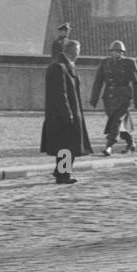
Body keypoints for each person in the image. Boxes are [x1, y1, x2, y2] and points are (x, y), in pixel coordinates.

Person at [41, 37, 92, 182]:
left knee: (67, 146)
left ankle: (60, 172)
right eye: (78, 51)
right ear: (74, 51)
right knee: (66, 147)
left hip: (67, 113)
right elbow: (60, 94)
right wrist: (67, 113)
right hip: (63, 115)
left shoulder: (64, 65)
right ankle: (63, 175)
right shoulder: (59, 67)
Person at [90, 40, 137, 154]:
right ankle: (130, 142)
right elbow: (98, 82)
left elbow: (136, 82)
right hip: (108, 97)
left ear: (123, 52)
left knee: (116, 120)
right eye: (114, 51)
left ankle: (109, 145)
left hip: (124, 97)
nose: (116, 54)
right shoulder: (105, 63)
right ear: (110, 52)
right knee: (118, 122)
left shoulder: (130, 62)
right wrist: (94, 98)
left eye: (119, 51)